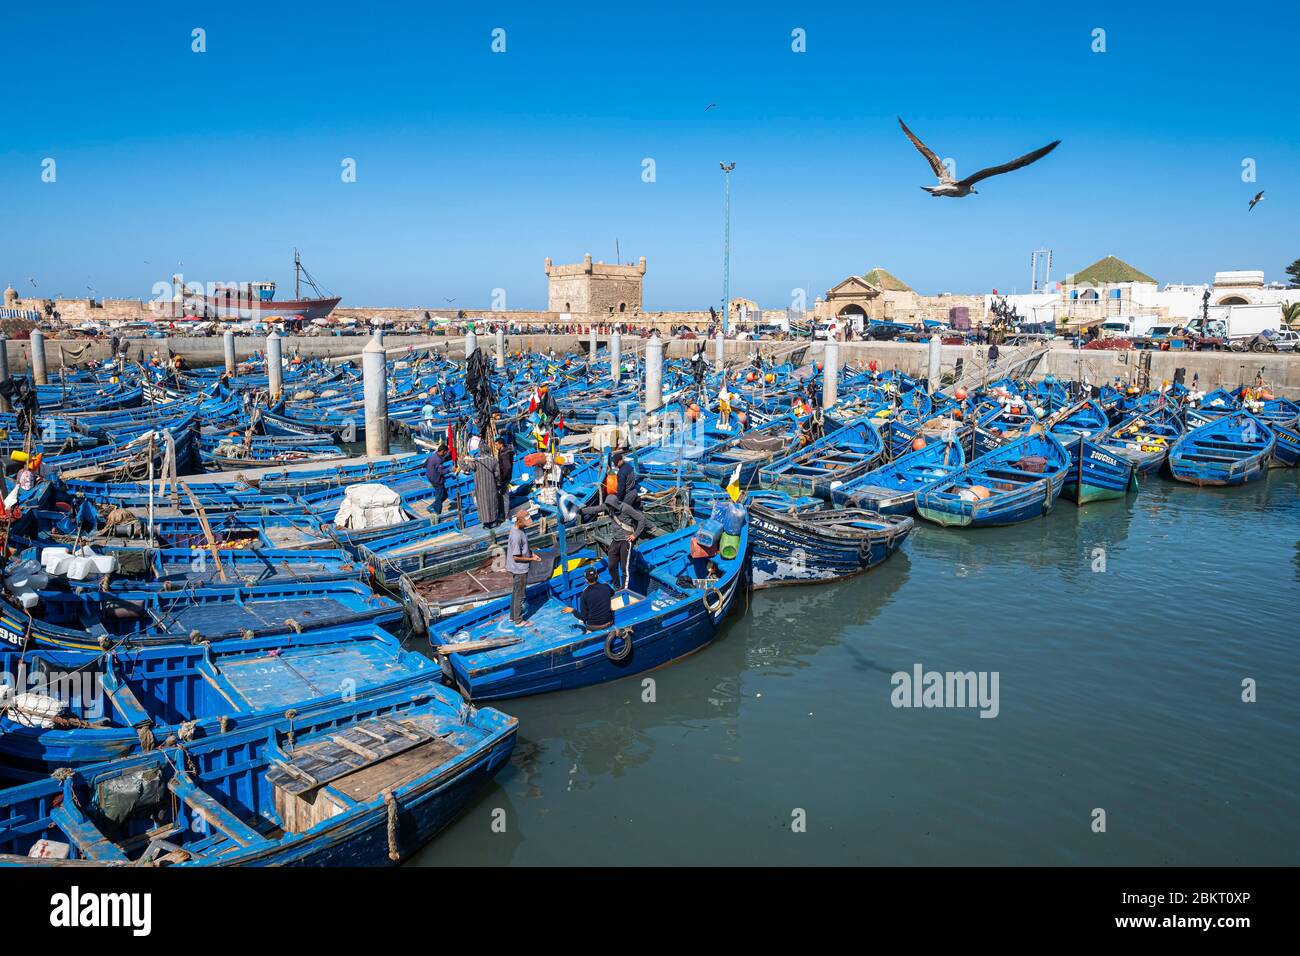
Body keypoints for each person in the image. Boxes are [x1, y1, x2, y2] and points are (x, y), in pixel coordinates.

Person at [605, 488, 647, 590]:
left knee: (625, 568)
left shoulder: (626, 508)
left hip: (626, 541)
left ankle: (624, 590)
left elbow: (641, 519)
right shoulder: (609, 508)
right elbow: (595, 509)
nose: (608, 507)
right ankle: (617, 587)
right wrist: (580, 510)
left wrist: (635, 535)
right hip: (615, 540)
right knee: (611, 566)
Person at [506, 511, 539, 623]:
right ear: (519, 521)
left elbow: (524, 546)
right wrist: (531, 559)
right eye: (525, 523)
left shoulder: (520, 529)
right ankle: (519, 621)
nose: (526, 525)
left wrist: (531, 553)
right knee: (520, 595)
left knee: (516, 593)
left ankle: (512, 616)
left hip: (519, 567)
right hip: (519, 569)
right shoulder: (516, 536)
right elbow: (516, 557)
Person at [563, 566, 614, 630]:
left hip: (594, 627)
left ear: (586, 580)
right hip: (608, 622)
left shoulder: (584, 594)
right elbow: (612, 593)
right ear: (598, 576)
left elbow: (583, 617)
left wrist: (572, 610)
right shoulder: (606, 586)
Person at [425, 442, 447, 515]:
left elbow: (426, 464)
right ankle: (437, 513)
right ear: (442, 451)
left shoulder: (433, 456)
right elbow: (441, 471)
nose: (445, 454)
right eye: (445, 452)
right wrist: (450, 470)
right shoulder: (438, 459)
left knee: (444, 495)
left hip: (430, 478)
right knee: (439, 497)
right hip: (437, 481)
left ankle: (431, 506)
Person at [496, 438, 514, 520]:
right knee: (503, 496)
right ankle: (504, 515)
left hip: (505, 478)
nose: (495, 446)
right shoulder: (502, 452)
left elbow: (507, 467)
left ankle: (506, 517)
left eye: (496, 444)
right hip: (505, 477)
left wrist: (502, 477)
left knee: (505, 497)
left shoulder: (505, 454)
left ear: (501, 444)